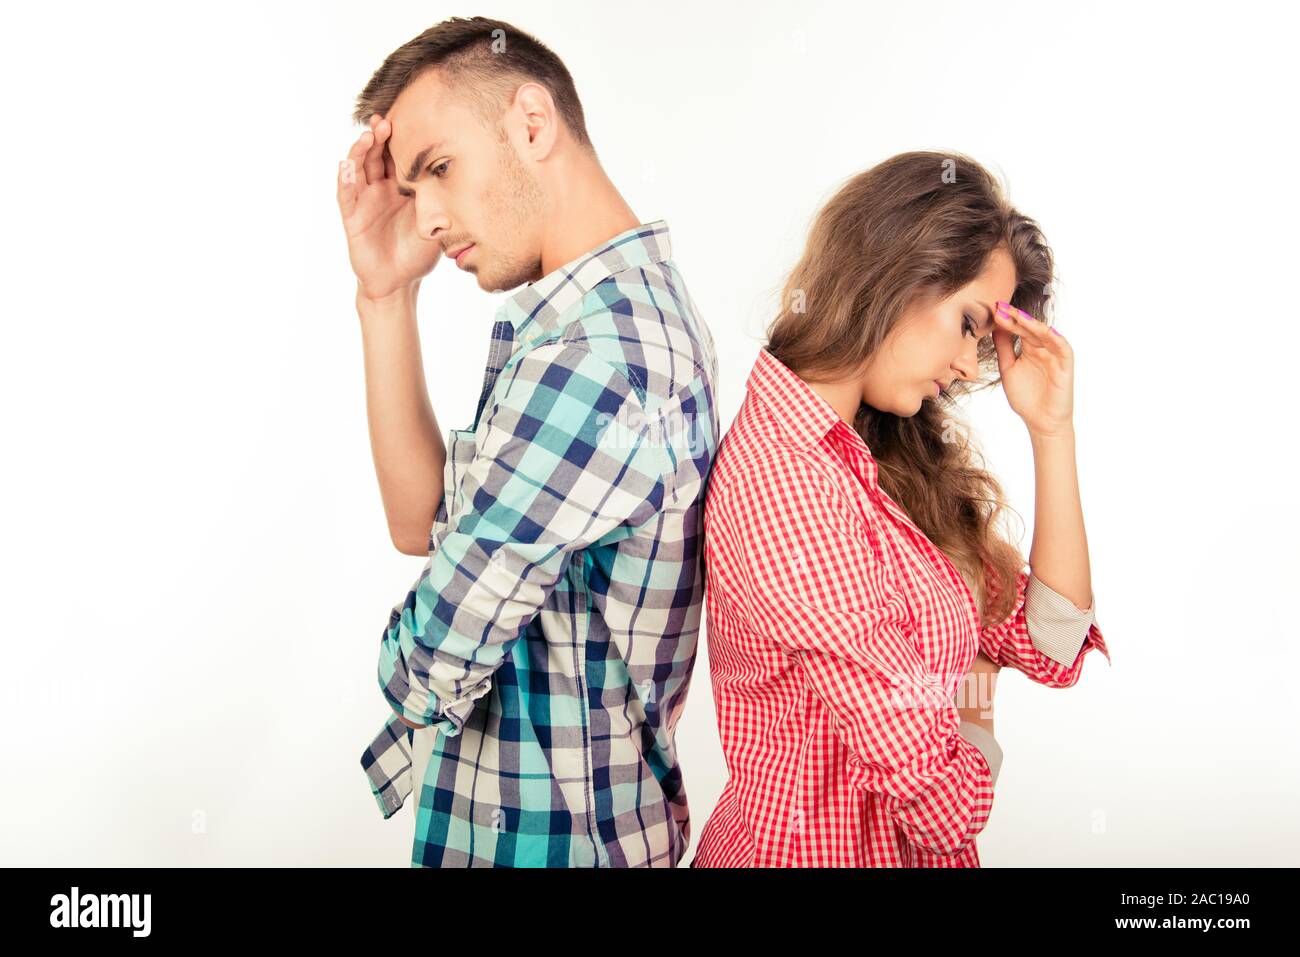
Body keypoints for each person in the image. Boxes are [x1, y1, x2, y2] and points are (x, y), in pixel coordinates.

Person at [336, 16, 718, 867]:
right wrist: (385, 295)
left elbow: (427, 666)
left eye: (438, 167)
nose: (426, 216)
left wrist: (419, 630)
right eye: (410, 186)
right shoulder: (589, 323)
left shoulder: (599, 361)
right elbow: (421, 523)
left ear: (533, 124)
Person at [690, 151, 1110, 868]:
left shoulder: (874, 458)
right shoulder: (788, 483)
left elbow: (1051, 642)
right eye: (970, 324)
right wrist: (975, 698)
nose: (969, 366)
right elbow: (941, 804)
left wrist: (1051, 430)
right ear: (896, 277)